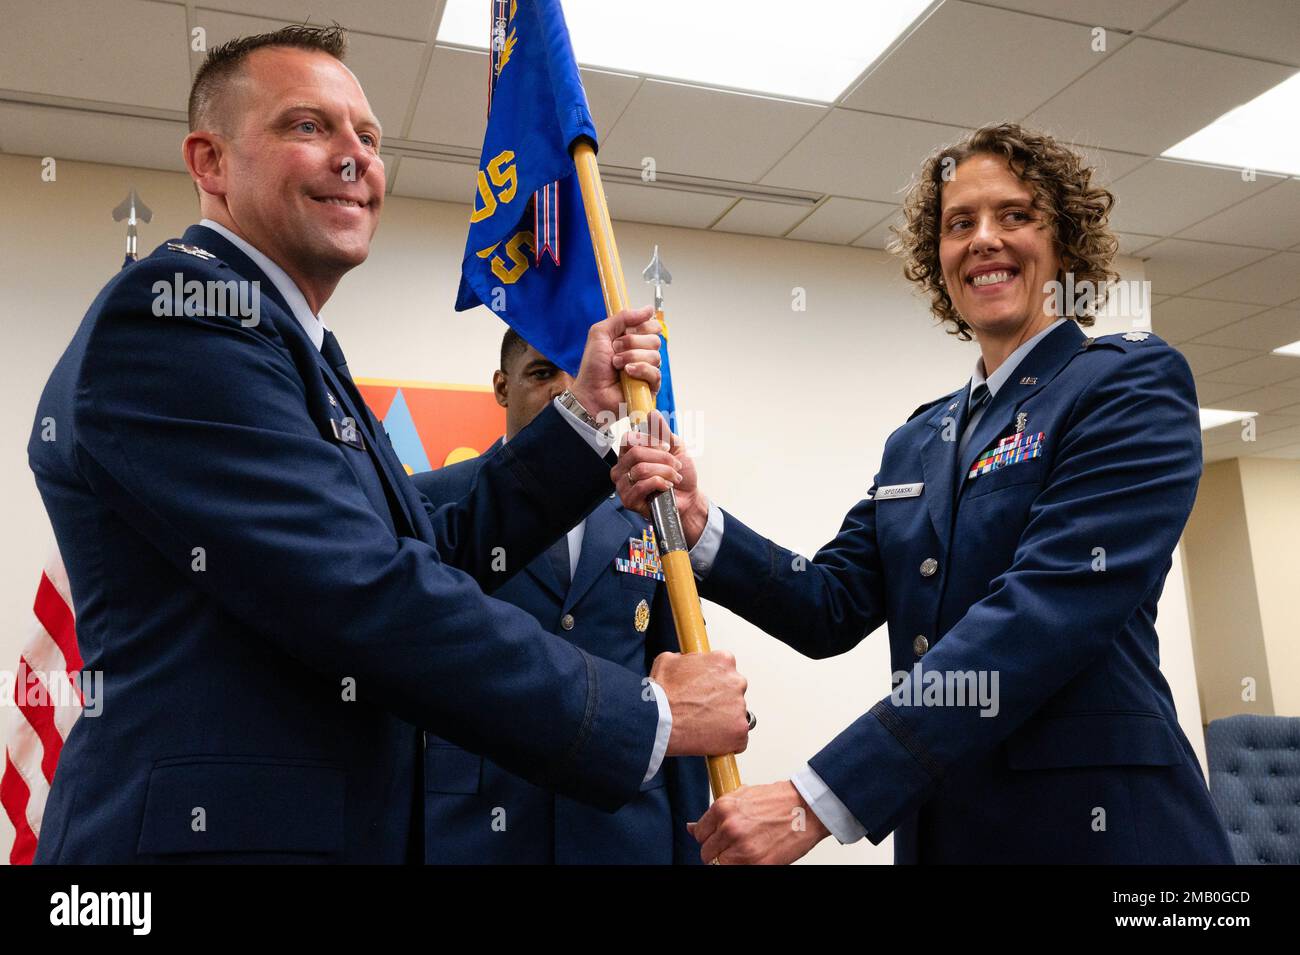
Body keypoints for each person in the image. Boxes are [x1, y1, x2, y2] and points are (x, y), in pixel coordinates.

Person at [26, 24, 748, 864]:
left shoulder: (299, 350)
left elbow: (430, 548)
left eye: (367, 136)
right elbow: (362, 589)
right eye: (308, 126)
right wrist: (645, 714)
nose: (355, 157)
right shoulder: (176, 313)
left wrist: (585, 418)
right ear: (210, 162)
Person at [615, 123, 1234, 865]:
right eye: (958, 224)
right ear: (936, 259)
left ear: (1065, 243)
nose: (983, 239)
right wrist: (696, 521)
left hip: (1101, 834)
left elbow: (1041, 614)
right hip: (946, 829)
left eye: (1015, 215)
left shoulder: (1127, 384)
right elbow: (829, 603)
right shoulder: (919, 438)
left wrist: (820, 795)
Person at [411, 330, 710, 864]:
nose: (564, 390)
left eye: (580, 374)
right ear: (502, 387)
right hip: (470, 829)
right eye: (543, 373)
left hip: (622, 830)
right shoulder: (430, 501)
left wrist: (689, 847)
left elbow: (678, 673)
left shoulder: (646, 504)